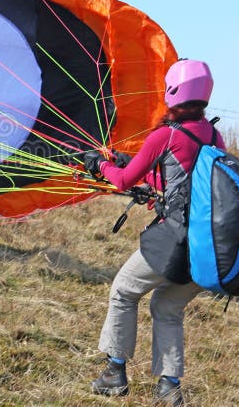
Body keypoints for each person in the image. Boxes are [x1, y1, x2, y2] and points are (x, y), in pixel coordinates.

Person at [82, 59, 224, 406]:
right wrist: (147, 178)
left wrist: (100, 165)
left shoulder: (167, 134)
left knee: (122, 291)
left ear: (173, 91)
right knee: (167, 306)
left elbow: (123, 180)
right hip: (207, 247)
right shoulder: (215, 135)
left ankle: (115, 373)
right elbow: (188, 181)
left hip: (174, 242)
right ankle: (169, 389)